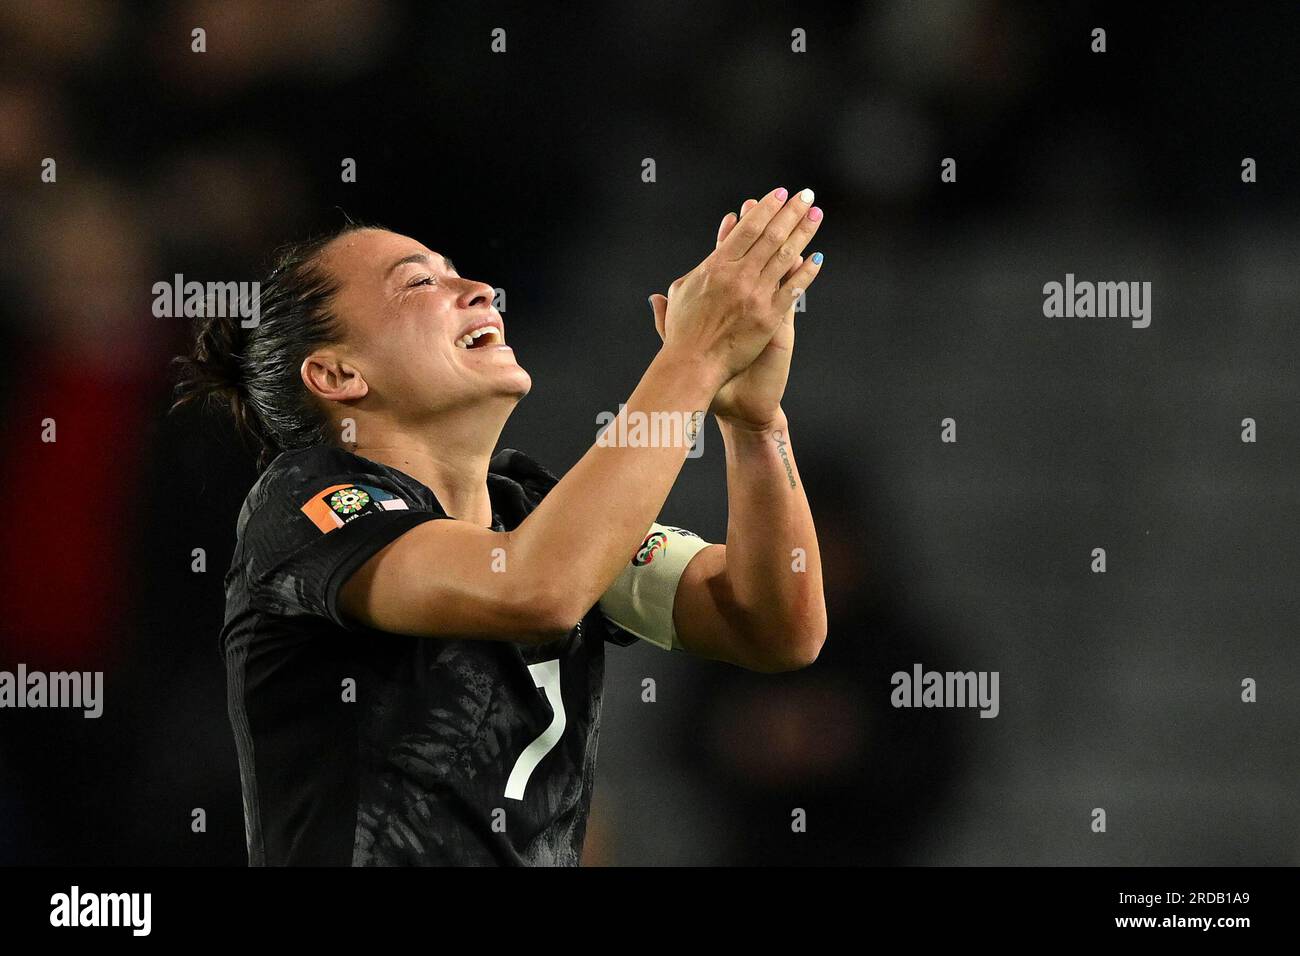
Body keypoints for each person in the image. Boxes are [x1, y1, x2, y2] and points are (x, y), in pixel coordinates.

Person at [171, 185, 828, 865]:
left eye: (460, 270)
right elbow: (536, 589)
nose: (481, 288)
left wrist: (754, 425)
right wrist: (694, 356)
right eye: (421, 281)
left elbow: (771, 626)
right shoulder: (304, 504)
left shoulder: (537, 514)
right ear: (337, 373)